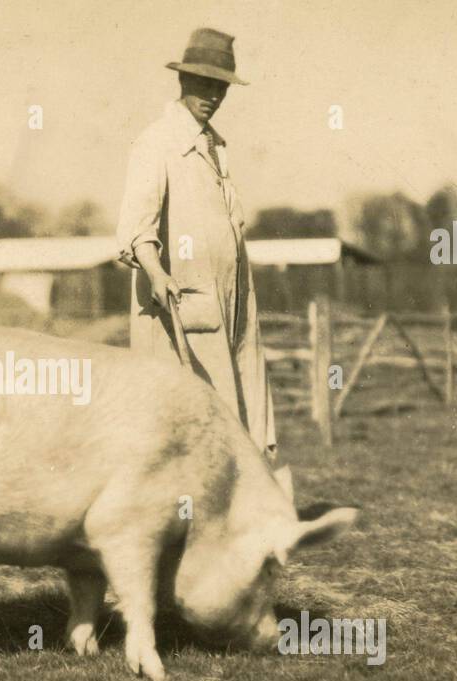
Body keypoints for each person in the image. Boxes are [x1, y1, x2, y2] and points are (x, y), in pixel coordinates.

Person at [116, 27, 277, 461]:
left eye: (220, 86)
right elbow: (136, 228)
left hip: (232, 308)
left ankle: (236, 515)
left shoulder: (216, 147)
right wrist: (157, 274)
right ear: (184, 81)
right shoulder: (156, 143)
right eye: (204, 84)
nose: (213, 95)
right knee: (182, 430)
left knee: (234, 420)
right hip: (182, 309)